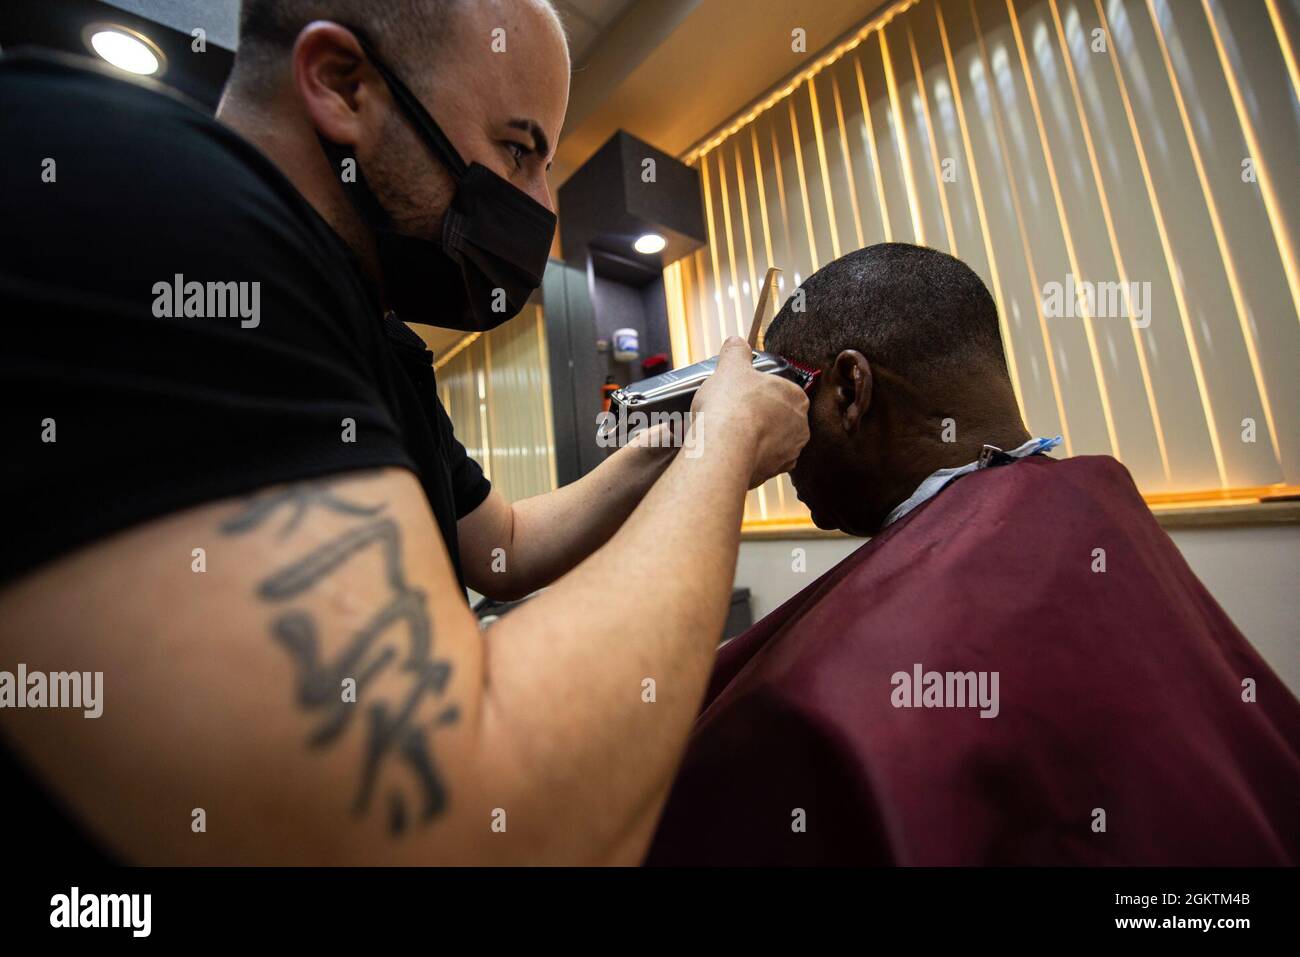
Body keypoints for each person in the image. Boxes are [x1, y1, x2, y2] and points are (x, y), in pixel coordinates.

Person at [0, 0, 809, 864]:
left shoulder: (377, 335)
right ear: (344, 85)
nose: (540, 204)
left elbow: (503, 543)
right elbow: (456, 826)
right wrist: (723, 456)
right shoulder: (154, 196)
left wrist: (683, 433)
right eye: (518, 149)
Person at [646, 243, 1300, 865]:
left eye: (789, 395)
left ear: (849, 389)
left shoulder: (821, 698)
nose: (783, 442)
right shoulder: (1099, 507)